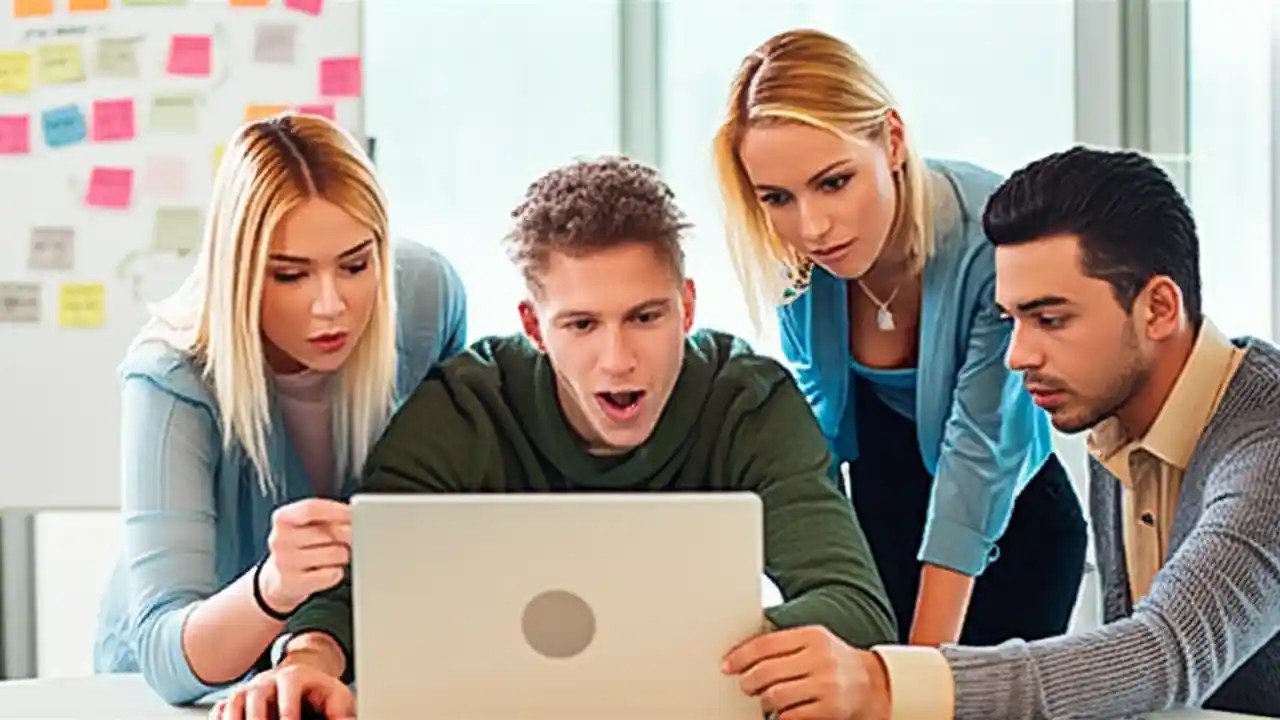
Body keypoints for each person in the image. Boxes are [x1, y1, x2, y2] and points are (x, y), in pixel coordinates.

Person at [208, 155, 898, 720]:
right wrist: (306, 664)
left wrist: (686, 667)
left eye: (646, 317)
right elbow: (361, 575)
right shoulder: (468, 405)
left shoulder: (749, 402)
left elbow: (855, 605)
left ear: (687, 306)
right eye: (580, 325)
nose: (618, 359)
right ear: (534, 329)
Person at [722, 146, 1280, 719]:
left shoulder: (1268, 444)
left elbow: (1165, 656)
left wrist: (884, 683)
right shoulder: (1115, 421)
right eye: (1011, 319)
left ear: (1159, 308)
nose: (1016, 355)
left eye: (1051, 319)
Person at [713, 27, 1087, 648]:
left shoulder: (993, 237)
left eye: (834, 181)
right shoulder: (798, 259)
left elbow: (979, 456)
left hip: (1010, 535)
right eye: (778, 197)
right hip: (878, 530)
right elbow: (816, 442)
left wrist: (918, 674)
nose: (812, 226)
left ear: (891, 140)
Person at [91, 113, 468, 705]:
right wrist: (273, 587)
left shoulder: (426, 298)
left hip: (349, 674)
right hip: (192, 691)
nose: (330, 306)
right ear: (238, 273)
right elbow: (164, 651)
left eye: (355, 265)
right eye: (290, 275)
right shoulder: (171, 377)